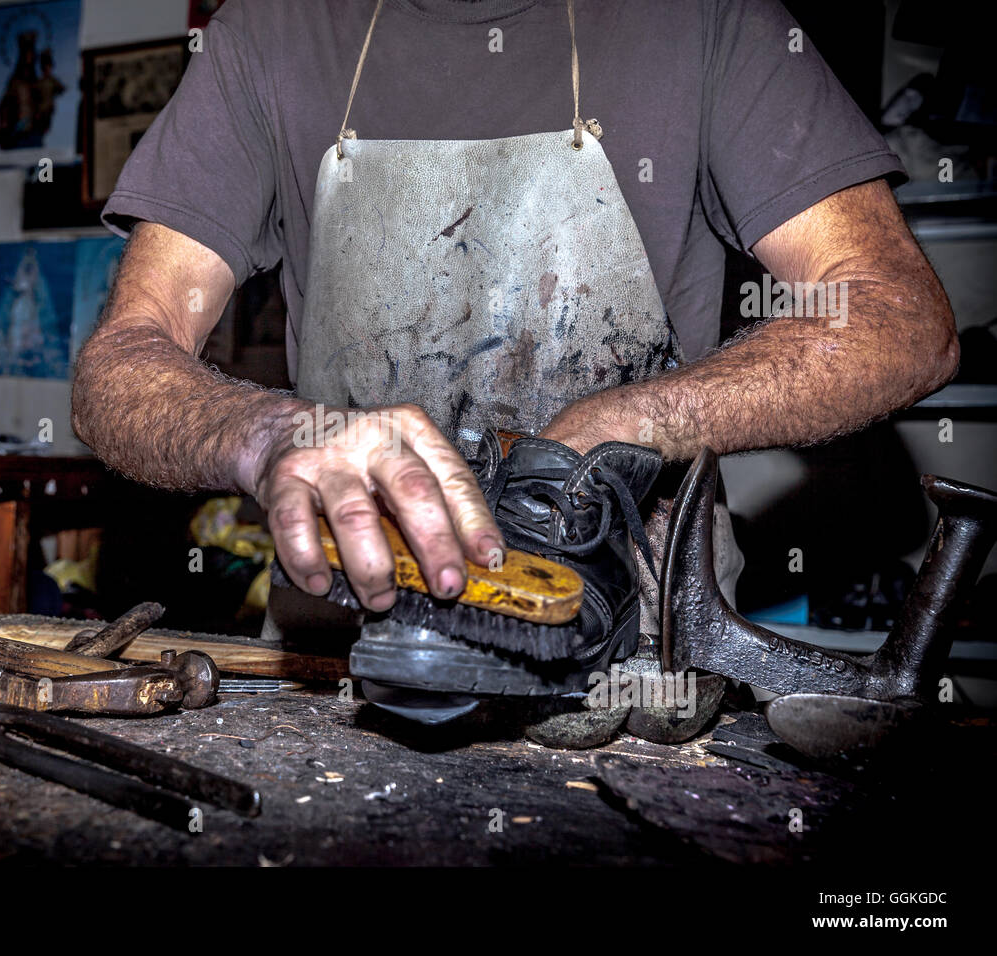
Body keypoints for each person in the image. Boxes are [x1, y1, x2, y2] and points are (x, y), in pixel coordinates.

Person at [71, 0, 956, 690]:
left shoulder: (706, 18)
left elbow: (899, 317)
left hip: (635, 647)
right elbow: (119, 363)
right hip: (346, 650)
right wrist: (271, 437)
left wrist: (623, 421)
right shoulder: (268, 31)